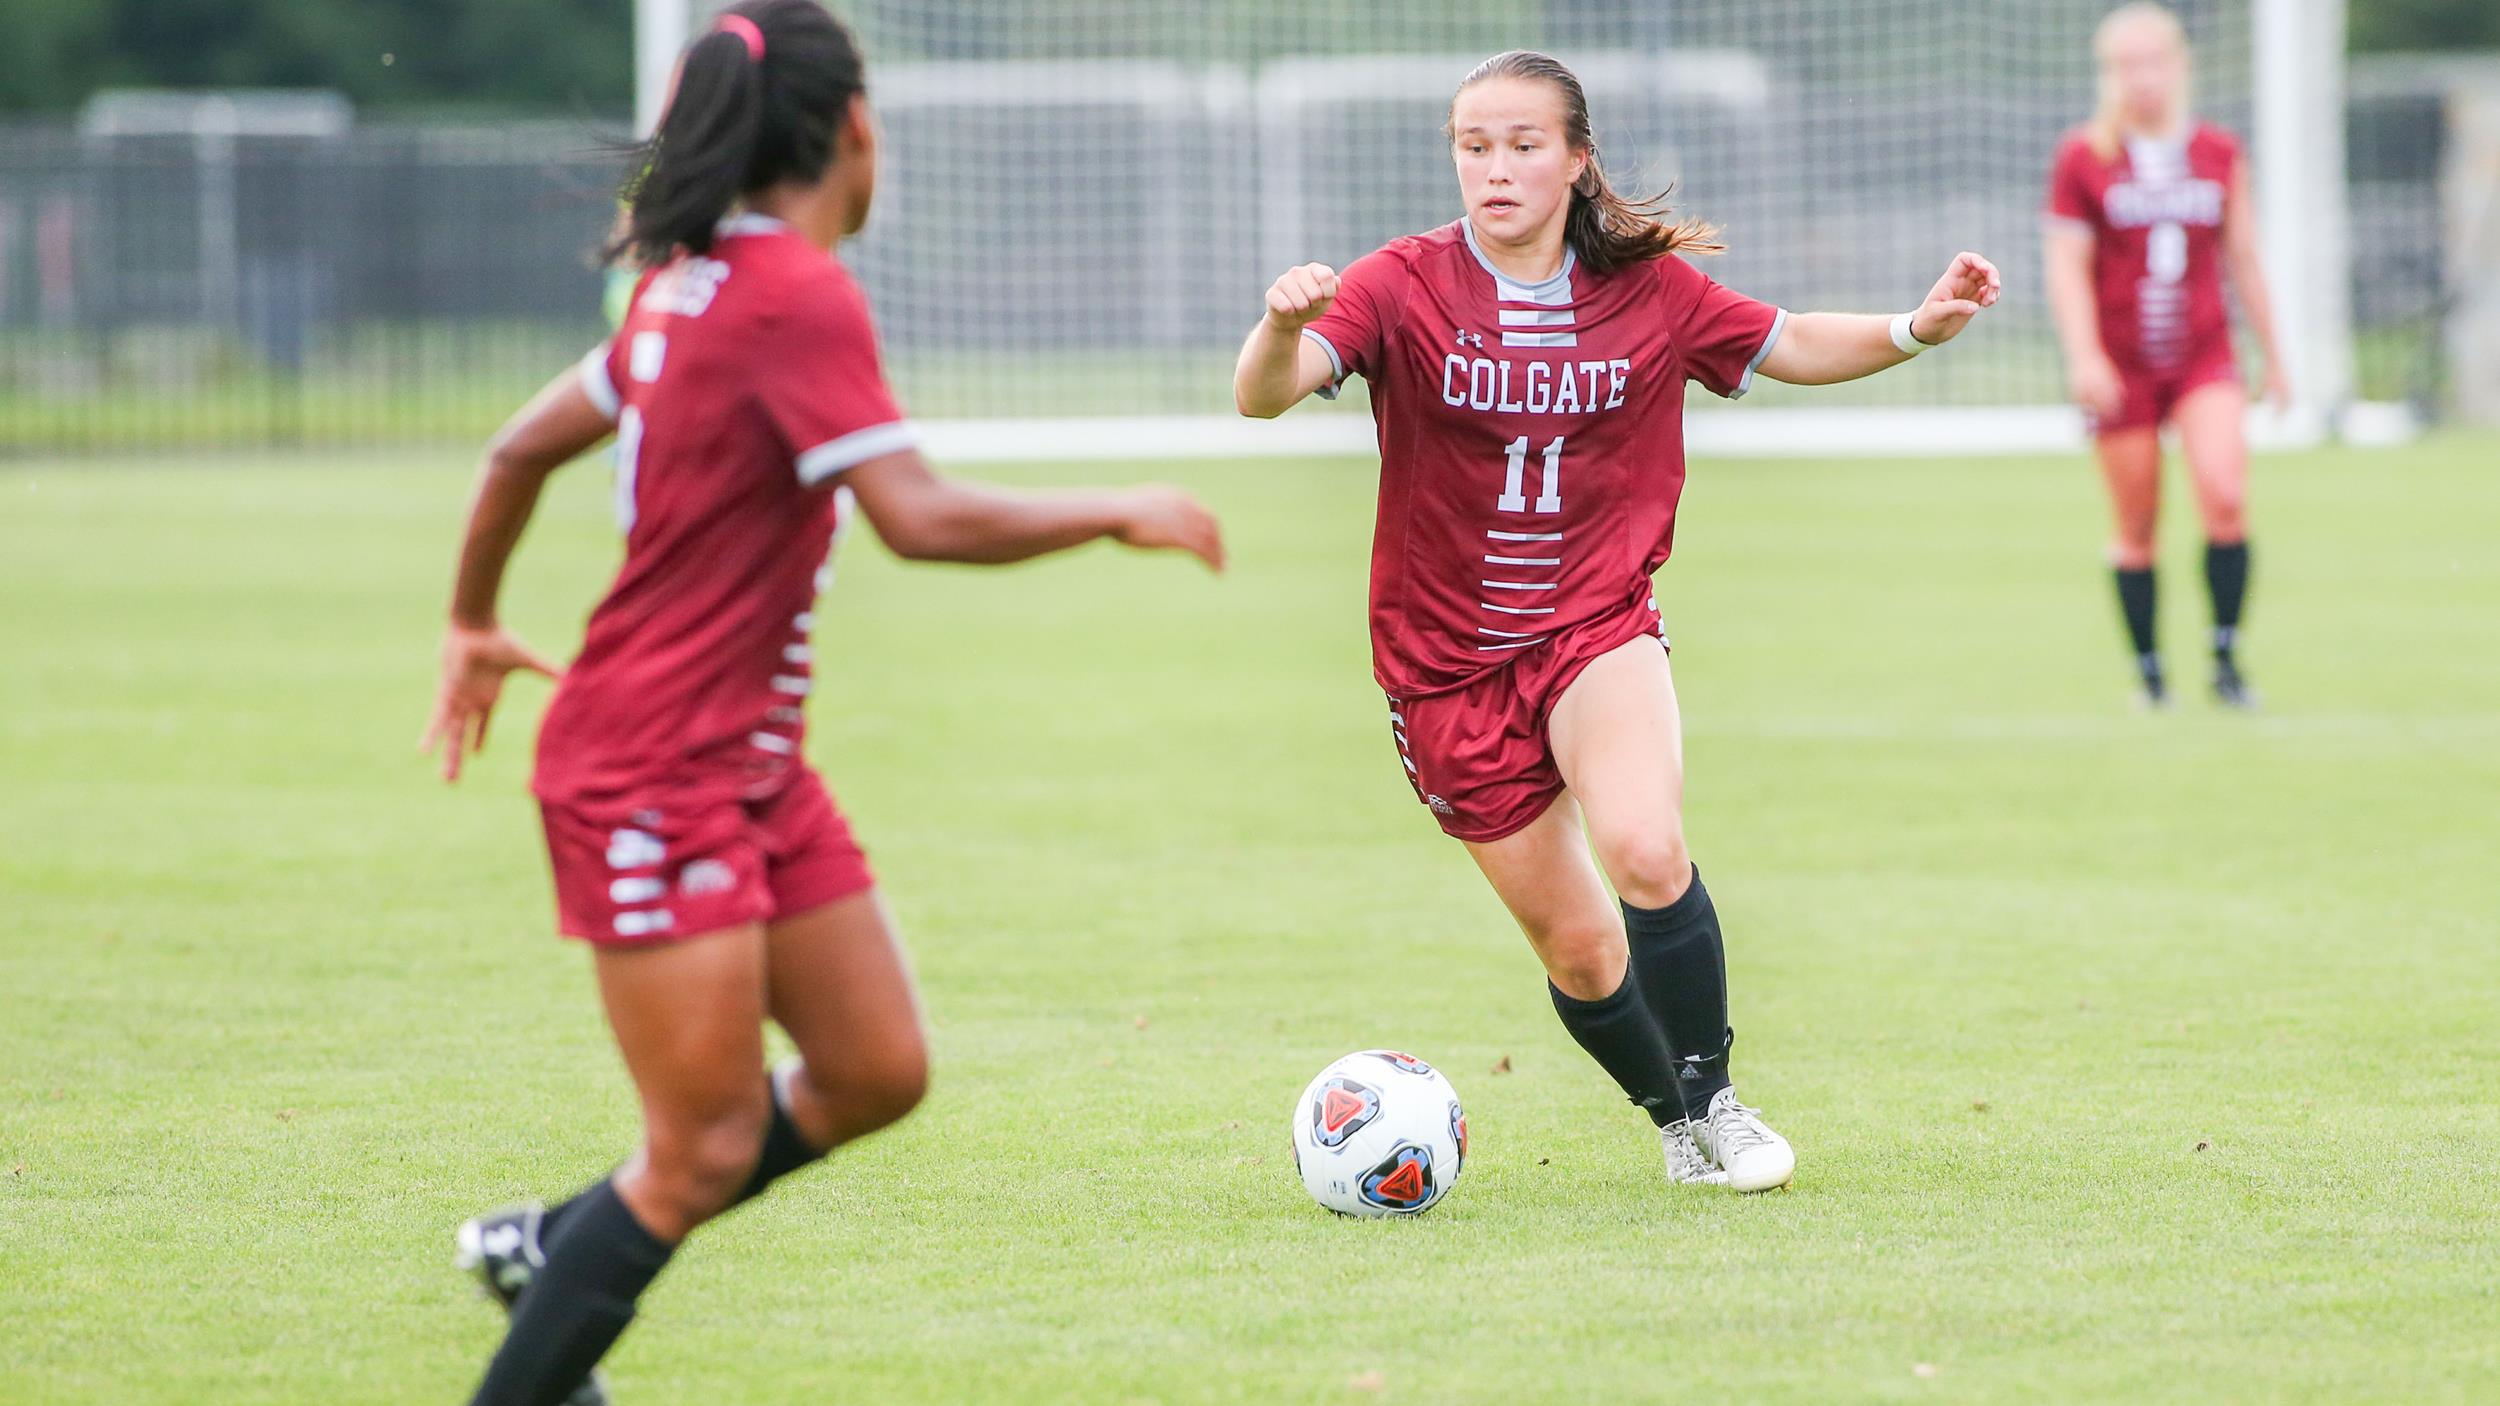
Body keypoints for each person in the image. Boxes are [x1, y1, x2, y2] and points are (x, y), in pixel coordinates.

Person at [420, 5, 1222, 1403]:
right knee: (703, 1147)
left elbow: (520, 444)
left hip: (746, 763)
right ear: (856, 127)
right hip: (650, 769)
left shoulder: (689, 282)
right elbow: (915, 515)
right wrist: (1114, 508)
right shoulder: (790, 290)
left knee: (873, 1067)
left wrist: (473, 615)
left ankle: (549, 1246)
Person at [1234, 49, 1999, 1192]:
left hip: (1597, 626)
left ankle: (1721, 1099)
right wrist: (1281, 328)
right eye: (1473, 146)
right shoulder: (1399, 283)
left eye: (1523, 145)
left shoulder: (1649, 290)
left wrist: (1913, 328)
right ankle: (1672, 1122)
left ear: (1575, 159)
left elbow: (1786, 342)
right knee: (1583, 948)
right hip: (1443, 672)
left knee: (1645, 845)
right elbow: (1262, 395)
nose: (1495, 169)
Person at [2044, 1, 2284, 709]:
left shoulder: (2218, 152)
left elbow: (2244, 257)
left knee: (2225, 497)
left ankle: (2226, 660)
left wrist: (2276, 354)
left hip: (2204, 356)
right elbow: (2066, 266)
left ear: (2181, 66)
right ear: (2109, 75)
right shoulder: (2085, 157)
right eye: (2128, 64)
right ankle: (2151, 676)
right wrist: (2084, 355)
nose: (2143, 77)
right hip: (2123, 366)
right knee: (2138, 524)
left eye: (2156, 60)